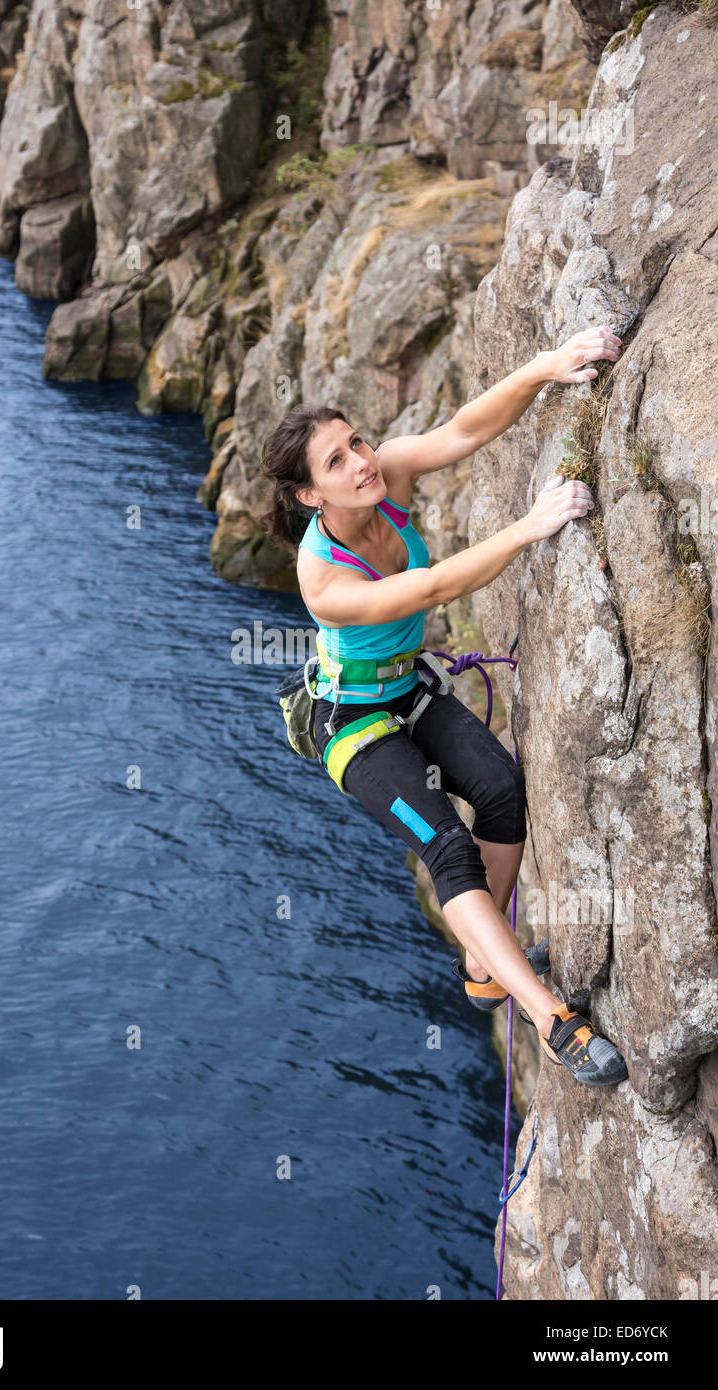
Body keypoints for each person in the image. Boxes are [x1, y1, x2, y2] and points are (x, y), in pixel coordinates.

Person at [260, 326, 629, 1087]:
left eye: (357, 442)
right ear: (309, 495)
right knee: (449, 850)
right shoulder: (323, 578)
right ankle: (551, 1020)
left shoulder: (384, 476)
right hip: (351, 723)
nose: (361, 461)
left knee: (502, 789)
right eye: (336, 462)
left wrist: (548, 366)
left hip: (406, 688)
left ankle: (483, 965)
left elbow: (464, 430)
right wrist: (530, 526)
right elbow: (431, 588)